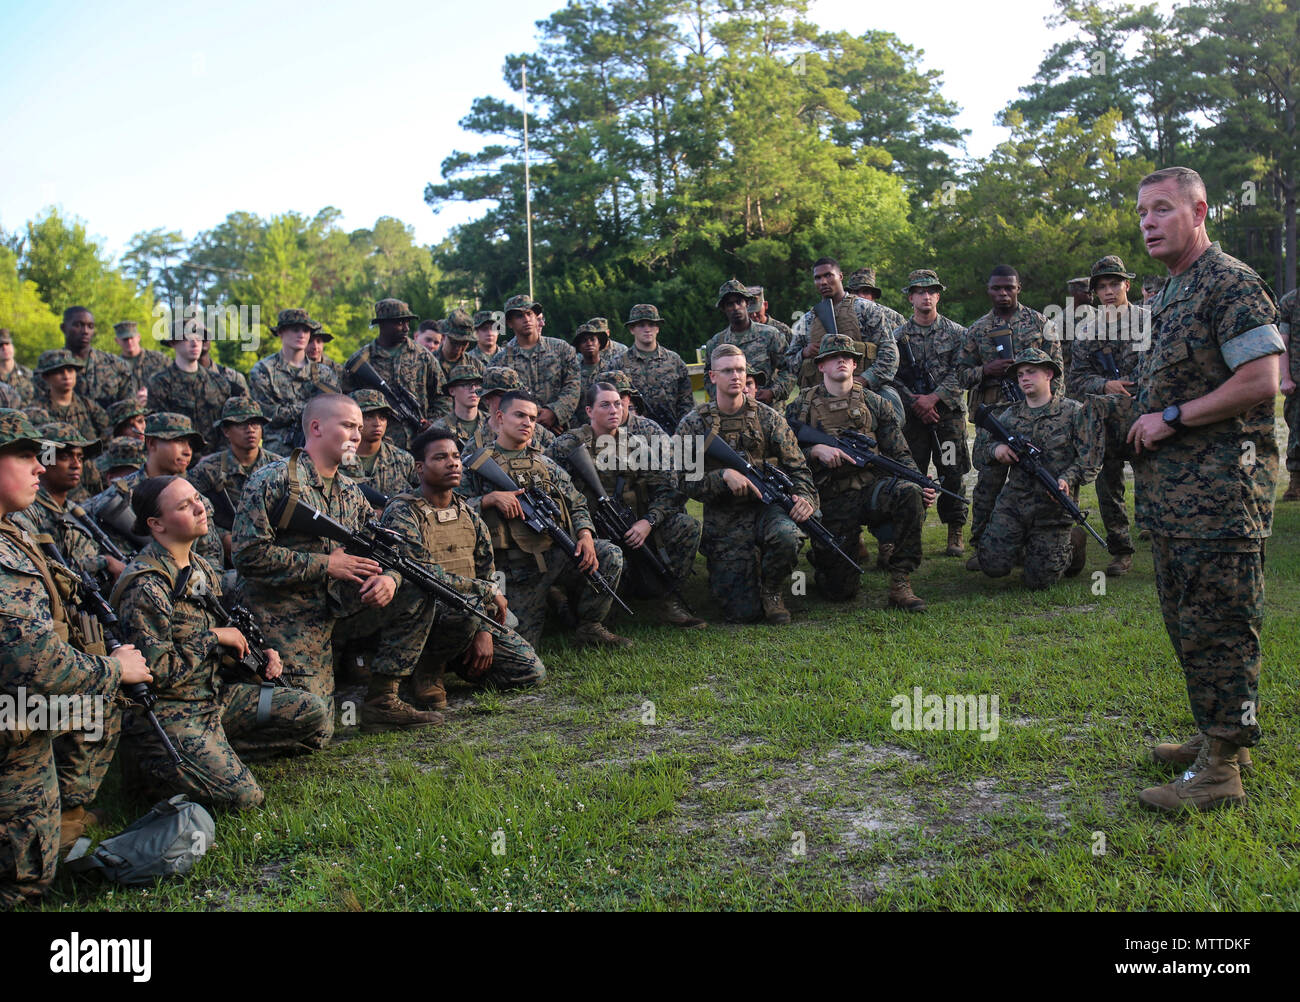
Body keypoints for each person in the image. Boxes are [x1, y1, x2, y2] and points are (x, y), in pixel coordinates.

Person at [1126, 166, 1283, 812]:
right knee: (1189, 623)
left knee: (1220, 624)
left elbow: (1263, 378)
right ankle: (1220, 738)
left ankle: (1222, 774)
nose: (1149, 223)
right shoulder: (1172, 291)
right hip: (1178, 500)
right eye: (1141, 213)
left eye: (1163, 210)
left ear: (1199, 211)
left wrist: (1170, 418)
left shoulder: (1230, 283)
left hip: (1222, 494)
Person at [0, 408, 150, 908]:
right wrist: (114, 669)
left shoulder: (12, 530)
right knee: (24, 885)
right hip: (15, 721)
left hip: (20, 716)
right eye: (24, 456)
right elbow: (37, 669)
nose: (40, 466)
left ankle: (65, 817)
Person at [110, 475, 328, 810]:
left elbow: (224, 645)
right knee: (245, 799)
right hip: (171, 712)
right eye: (185, 506)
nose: (200, 508)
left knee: (312, 714)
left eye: (197, 498)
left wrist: (256, 656)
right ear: (157, 524)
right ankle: (157, 766)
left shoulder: (199, 569)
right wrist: (212, 638)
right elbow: (152, 671)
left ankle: (212, 755)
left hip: (215, 698)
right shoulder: (147, 586)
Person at [232, 394, 440, 738]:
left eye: (359, 427)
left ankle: (381, 700)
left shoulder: (350, 490)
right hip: (286, 617)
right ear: (316, 427)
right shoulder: (273, 481)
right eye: (348, 425)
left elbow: (379, 551)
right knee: (315, 730)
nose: (357, 435)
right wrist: (326, 564)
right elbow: (247, 556)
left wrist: (389, 577)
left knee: (417, 589)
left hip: (338, 607)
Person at [381, 427, 546, 709]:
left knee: (530, 671)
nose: (453, 463)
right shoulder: (402, 512)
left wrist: (483, 629)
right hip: (421, 615)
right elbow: (424, 573)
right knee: (463, 610)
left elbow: (486, 571)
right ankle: (426, 668)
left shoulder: (469, 513)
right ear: (420, 468)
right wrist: (485, 595)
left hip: (468, 610)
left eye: (456, 456)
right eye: (441, 458)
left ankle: (457, 660)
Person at [456, 389, 630, 649]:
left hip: (555, 555)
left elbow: (577, 503)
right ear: (501, 417)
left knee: (609, 554)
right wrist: (488, 500)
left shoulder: (545, 464)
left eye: (533, 418)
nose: (527, 423)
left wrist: (585, 535)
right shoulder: (476, 465)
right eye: (520, 415)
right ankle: (550, 602)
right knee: (521, 646)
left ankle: (589, 627)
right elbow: (452, 509)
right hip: (513, 571)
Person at [787, 334, 931, 610]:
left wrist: (921, 483)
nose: (841, 360)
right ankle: (824, 558)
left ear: (855, 365)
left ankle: (900, 581)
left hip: (870, 491)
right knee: (840, 591)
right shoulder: (800, 406)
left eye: (847, 357)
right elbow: (784, 458)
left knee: (910, 493)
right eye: (833, 357)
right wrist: (815, 451)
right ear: (821, 366)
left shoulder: (875, 403)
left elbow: (900, 454)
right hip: (828, 498)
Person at [676, 344, 817, 624]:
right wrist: (721, 477)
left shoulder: (767, 417)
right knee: (741, 613)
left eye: (740, 369)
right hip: (725, 516)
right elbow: (682, 480)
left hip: (768, 509)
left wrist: (804, 498)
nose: (736, 376)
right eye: (727, 370)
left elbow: (797, 467)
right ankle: (741, 570)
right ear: (713, 376)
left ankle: (772, 590)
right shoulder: (693, 424)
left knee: (788, 536)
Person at [549, 382, 705, 628]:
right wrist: (583, 530)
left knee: (687, 526)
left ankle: (668, 601)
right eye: (605, 405)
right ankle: (571, 603)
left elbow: (668, 489)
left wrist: (648, 521)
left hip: (632, 527)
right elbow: (548, 491)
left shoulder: (635, 445)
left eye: (618, 404)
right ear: (589, 411)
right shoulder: (567, 445)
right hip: (588, 534)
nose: (614, 410)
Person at [955, 265, 1061, 568]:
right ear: (989, 290)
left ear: (1018, 288)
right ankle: (981, 546)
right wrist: (985, 371)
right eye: (996, 288)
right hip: (993, 416)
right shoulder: (976, 330)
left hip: (1034, 415)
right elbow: (960, 375)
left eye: (1009, 288)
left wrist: (1054, 411)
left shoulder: (1041, 324)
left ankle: (1037, 541)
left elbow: (1058, 370)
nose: (1003, 293)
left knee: (1036, 476)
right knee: (988, 482)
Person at [976, 348, 1098, 589]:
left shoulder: (1074, 412)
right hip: (1014, 504)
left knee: (1039, 582)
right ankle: (1027, 545)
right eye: (1020, 375)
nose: (1024, 379)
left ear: (1049, 374)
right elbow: (980, 453)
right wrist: (996, 451)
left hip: (1053, 508)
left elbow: (1090, 461)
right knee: (991, 566)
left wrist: (1066, 480)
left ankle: (1074, 542)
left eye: (1031, 372)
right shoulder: (1010, 415)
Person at [1066, 255, 1150, 575]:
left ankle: (1166, 542)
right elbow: (1076, 380)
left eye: (1115, 283)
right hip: (1107, 422)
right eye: (1102, 287)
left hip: (1146, 416)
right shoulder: (1088, 330)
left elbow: (1166, 369)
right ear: (1094, 293)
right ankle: (1121, 551)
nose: (1109, 291)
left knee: (1155, 480)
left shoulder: (1149, 322)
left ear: (1127, 285)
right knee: (1108, 485)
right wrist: (1106, 384)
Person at [891, 269, 970, 557]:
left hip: (947, 418)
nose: (926, 296)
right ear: (911, 297)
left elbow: (961, 372)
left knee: (951, 472)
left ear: (938, 295)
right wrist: (916, 403)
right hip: (914, 420)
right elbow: (891, 377)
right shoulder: (897, 337)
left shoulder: (958, 333)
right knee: (914, 473)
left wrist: (934, 398)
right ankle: (913, 530)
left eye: (931, 291)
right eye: (920, 291)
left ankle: (955, 527)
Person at [84, 413, 225, 568]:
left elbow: (211, 556)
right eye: (178, 441)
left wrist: (195, 585)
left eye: (189, 444)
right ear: (151, 443)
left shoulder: (194, 496)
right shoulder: (119, 497)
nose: (187, 451)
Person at [787, 259, 902, 419]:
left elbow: (890, 354)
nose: (823, 282)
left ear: (840, 276)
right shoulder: (807, 320)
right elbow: (789, 364)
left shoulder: (867, 310)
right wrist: (804, 353)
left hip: (866, 392)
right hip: (819, 400)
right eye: (818, 278)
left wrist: (864, 380)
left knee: (894, 415)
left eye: (828, 275)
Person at [15, 423, 121, 583]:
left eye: (80, 457)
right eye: (65, 457)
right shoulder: (27, 512)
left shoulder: (75, 511)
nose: (76, 464)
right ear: (45, 460)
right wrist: (104, 562)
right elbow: (43, 568)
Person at [342, 299, 449, 451]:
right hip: (376, 447)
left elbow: (443, 396)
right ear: (383, 324)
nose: (406, 328)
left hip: (420, 443)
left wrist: (432, 423)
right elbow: (345, 402)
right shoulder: (361, 361)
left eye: (407, 322)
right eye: (400, 323)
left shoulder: (423, 356)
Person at [186, 397, 282, 549]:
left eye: (255, 424)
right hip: (223, 551)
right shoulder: (207, 470)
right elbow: (191, 515)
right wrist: (224, 538)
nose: (250, 429)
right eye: (242, 424)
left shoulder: (279, 467)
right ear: (226, 431)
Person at [249, 308, 341, 457]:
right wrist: (310, 407)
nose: (302, 335)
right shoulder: (263, 371)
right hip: (278, 453)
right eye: (295, 329)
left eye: (306, 330)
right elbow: (269, 415)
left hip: (318, 449)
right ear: (281, 332)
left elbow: (333, 412)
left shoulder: (324, 373)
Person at [147, 321, 241, 455]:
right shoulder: (160, 383)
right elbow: (158, 430)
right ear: (173, 343)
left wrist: (217, 460)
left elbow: (228, 427)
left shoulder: (219, 382)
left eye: (199, 338)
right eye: (187, 338)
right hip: (176, 462)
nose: (195, 343)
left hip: (218, 462)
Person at [498, 295, 582, 433]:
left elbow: (573, 385)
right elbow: (497, 400)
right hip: (519, 434)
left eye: (529, 314)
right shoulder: (500, 361)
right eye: (519, 316)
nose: (526, 319)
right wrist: (531, 419)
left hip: (562, 431)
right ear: (509, 323)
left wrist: (555, 412)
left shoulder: (561, 349)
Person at [703, 279, 794, 406]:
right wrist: (725, 397)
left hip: (768, 409)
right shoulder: (716, 344)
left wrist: (773, 392)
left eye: (739, 302)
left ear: (747, 303)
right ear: (723, 308)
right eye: (729, 304)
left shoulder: (770, 335)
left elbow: (790, 367)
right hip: (732, 411)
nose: (735, 308)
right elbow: (709, 378)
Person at [609, 304, 696, 434]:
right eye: (641, 325)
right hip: (633, 436)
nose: (647, 329)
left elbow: (686, 402)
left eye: (651, 324)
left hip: (673, 433)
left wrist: (682, 434)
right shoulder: (618, 364)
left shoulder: (674, 361)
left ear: (658, 328)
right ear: (632, 329)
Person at [32, 307, 131, 411]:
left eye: (90, 326)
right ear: (63, 328)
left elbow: (128, 407)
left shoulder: (115, 364)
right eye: (78, 325)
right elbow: (40, 406)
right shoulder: (50, 366)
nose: (85, 331)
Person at [340, 390, 417, 500]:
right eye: (368, 417)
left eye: (382, 417)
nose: (377, 423)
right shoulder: (337, 459)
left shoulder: (404, 460)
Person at [32, 350, 109, 441]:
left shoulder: (89, 407)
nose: (66, 376)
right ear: (46, 377)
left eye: (70, 370)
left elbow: (107, 437)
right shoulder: (36, 411)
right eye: (59, 372)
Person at [475, 367, 556, 451]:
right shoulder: (478, 442)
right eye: (503, 396)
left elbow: (556, 460)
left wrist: (532, 445)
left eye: (515, 396)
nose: (511, 401)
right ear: (487, 398)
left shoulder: (538, 432)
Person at [113, 320, 168, 404]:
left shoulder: (158, 359)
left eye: (131, 338)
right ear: (117, 341)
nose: (129, 342)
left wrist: (151, 394)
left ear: (138, 337)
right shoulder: (114, 366)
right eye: (125, 339)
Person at [1278, 288, 1299, 501]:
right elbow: (1282, 342)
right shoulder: (1291, 301)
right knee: (1297, 432)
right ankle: (1296, 483)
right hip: (1298, 379)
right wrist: (1286, 378)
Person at [430, 365, 484, 444]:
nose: (473, 390)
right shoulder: (439, 430)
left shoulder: (493, 423)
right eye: (466, 384)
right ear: (452, 391)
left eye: (477, 385)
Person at [432, 308, 482, 385]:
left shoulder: (475, 366)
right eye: (454, 342)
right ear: (443, 337)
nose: (458, 348)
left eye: (464, 344)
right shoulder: (429, 362)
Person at [0, 329, 35, 407]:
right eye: (0, 345)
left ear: (12, 347)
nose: (4, 348)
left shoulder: (28, 374)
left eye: (7, 344)